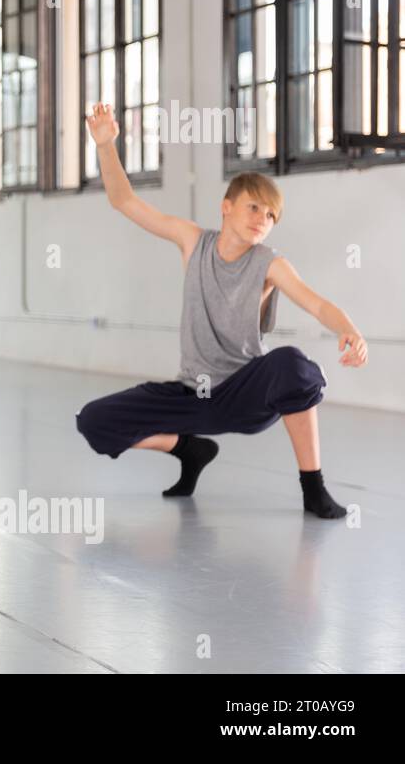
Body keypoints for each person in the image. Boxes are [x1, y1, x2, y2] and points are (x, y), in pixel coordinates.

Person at [74, 103, 367, 518]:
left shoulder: (269, 263)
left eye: (270, 215)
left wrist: (349, 331)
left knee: (293, 366)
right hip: (191, 391)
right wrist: (105, 145)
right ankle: (190, 449)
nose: (262, 219)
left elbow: (317, 303)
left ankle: (313, 487)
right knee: (93, 420)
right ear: (226, 206)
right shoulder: (192, 241)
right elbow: (124, 201)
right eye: (253, 207)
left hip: (243, 392)